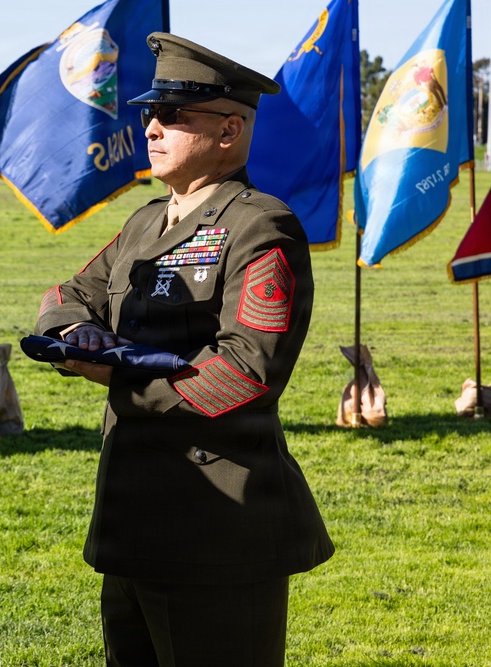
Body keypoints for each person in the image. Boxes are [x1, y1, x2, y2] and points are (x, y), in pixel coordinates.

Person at [34, 33, 334, 666]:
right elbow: (70, 291)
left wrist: (118, 375)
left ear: (229, 131)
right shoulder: (147, 220)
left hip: (217, 528)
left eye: (172, 115)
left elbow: (247, 371)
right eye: (150, 113)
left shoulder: (261, 225)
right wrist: (71, 334)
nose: (151, 127)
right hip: (133, 517)